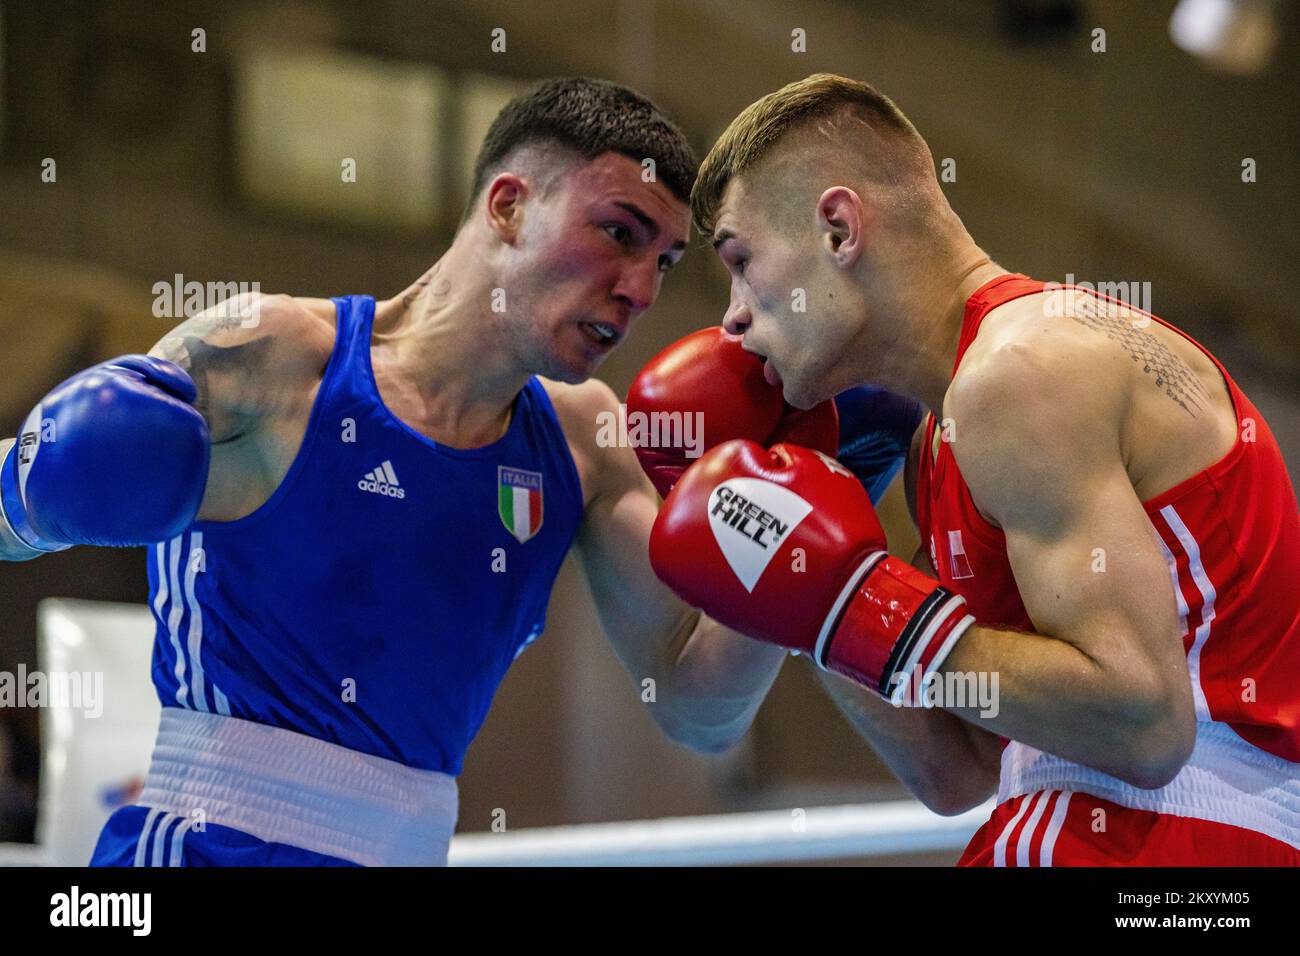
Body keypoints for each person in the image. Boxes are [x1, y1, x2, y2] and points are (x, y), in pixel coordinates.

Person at [0, 77, 829, 867]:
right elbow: (37, 490)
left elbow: (695, 704)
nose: (642, 288)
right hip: (204, 845)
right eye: (620, 233)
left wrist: (800, 536)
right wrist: (29, 498)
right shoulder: (276, 357)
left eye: (667, 262)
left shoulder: (585, 445)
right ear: (509, 206)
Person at [644, 73, 1300, 865]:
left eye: (742, 260)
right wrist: (814, 610)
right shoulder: (940, 437)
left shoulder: (1023, 367)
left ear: (839, 230)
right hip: (1103, 825)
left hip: (1178, 835)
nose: (732, 316)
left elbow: (1146, 726)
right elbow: (959, 767)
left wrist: (866, 607)